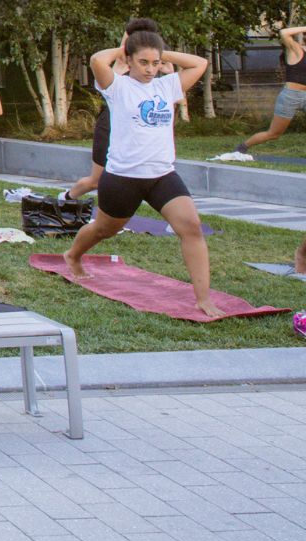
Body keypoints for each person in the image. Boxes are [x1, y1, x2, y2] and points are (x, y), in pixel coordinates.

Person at [63, 31, 221, 317]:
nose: (150, 69)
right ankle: (73, 255)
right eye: (143, 62)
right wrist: (124, 48)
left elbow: (199, 64)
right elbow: (98, 59)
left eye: (154, 63)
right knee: (104, 230)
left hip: (162, 175)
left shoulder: (166, 86)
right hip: (123, 177)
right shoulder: (117, 87)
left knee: (192, 227)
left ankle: (203, 298)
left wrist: (162, 53)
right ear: (129, 60)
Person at [67, 18, 168, 201]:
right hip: (114, 121)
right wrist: (127, 48)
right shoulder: (123, 62)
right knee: (96, 180)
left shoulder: (155, 62)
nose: (149, 67)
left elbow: (171, 70)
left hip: (142, 126)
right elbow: (101, 63)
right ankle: (65, 198)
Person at [234, 24, 306, 155]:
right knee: (274, 134)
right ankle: (242, 148)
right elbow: (284, 33)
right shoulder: (297, 50)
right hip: (290, 96)